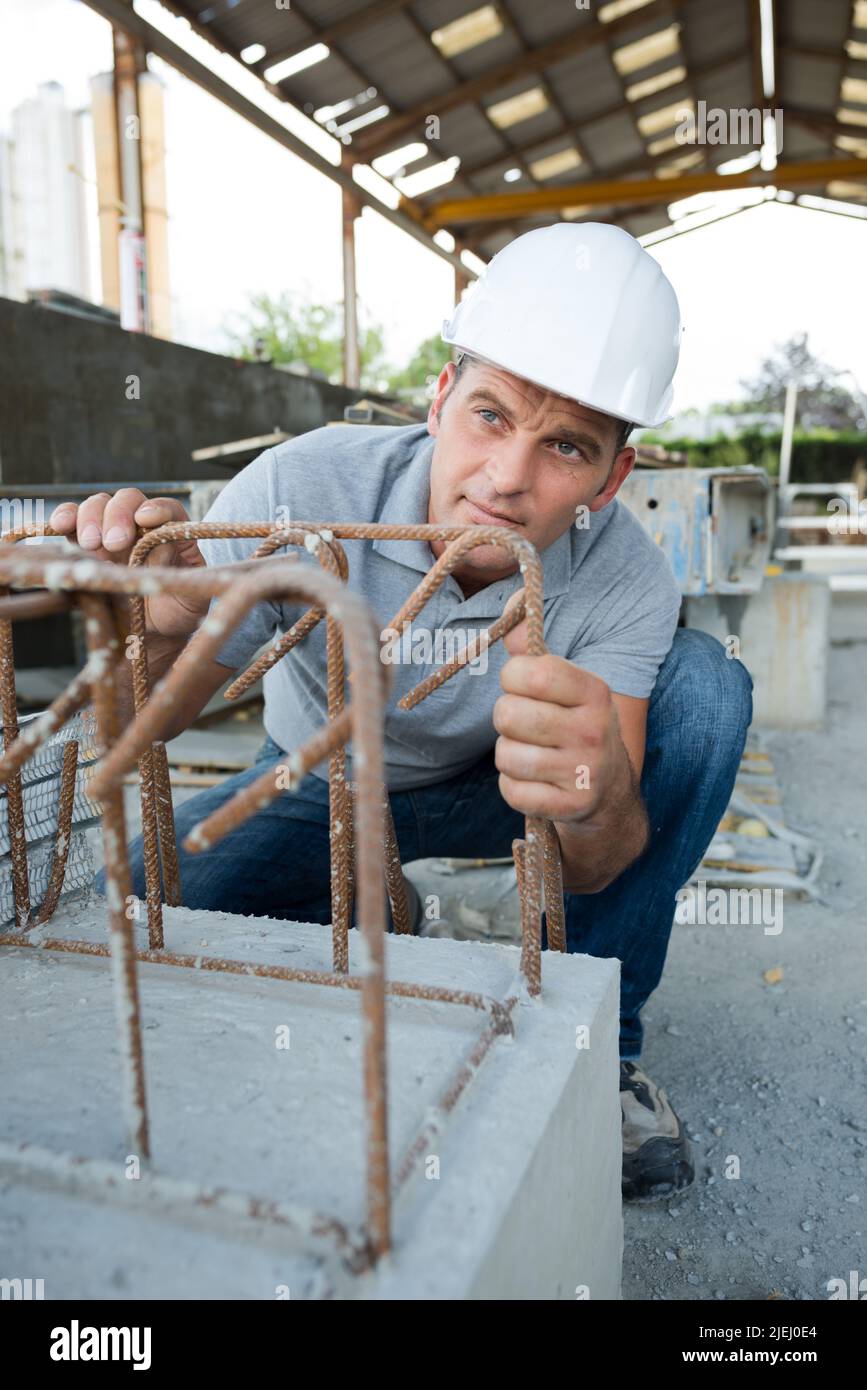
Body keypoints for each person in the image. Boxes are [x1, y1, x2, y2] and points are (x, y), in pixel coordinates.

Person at [55, 223, 752, 1203]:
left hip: (498, 788)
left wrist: (592, 795)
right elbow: (133, 728)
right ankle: (384, 896)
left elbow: (600, 858)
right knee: (129, 913)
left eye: (565, 446)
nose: (509, 477)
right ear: (437, 398)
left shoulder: (627, 576)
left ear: (612, 477)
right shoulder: (306, 485)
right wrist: (157, 631)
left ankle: (605, 1043)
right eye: (489, 415)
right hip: (323, 779)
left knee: (709, 691)